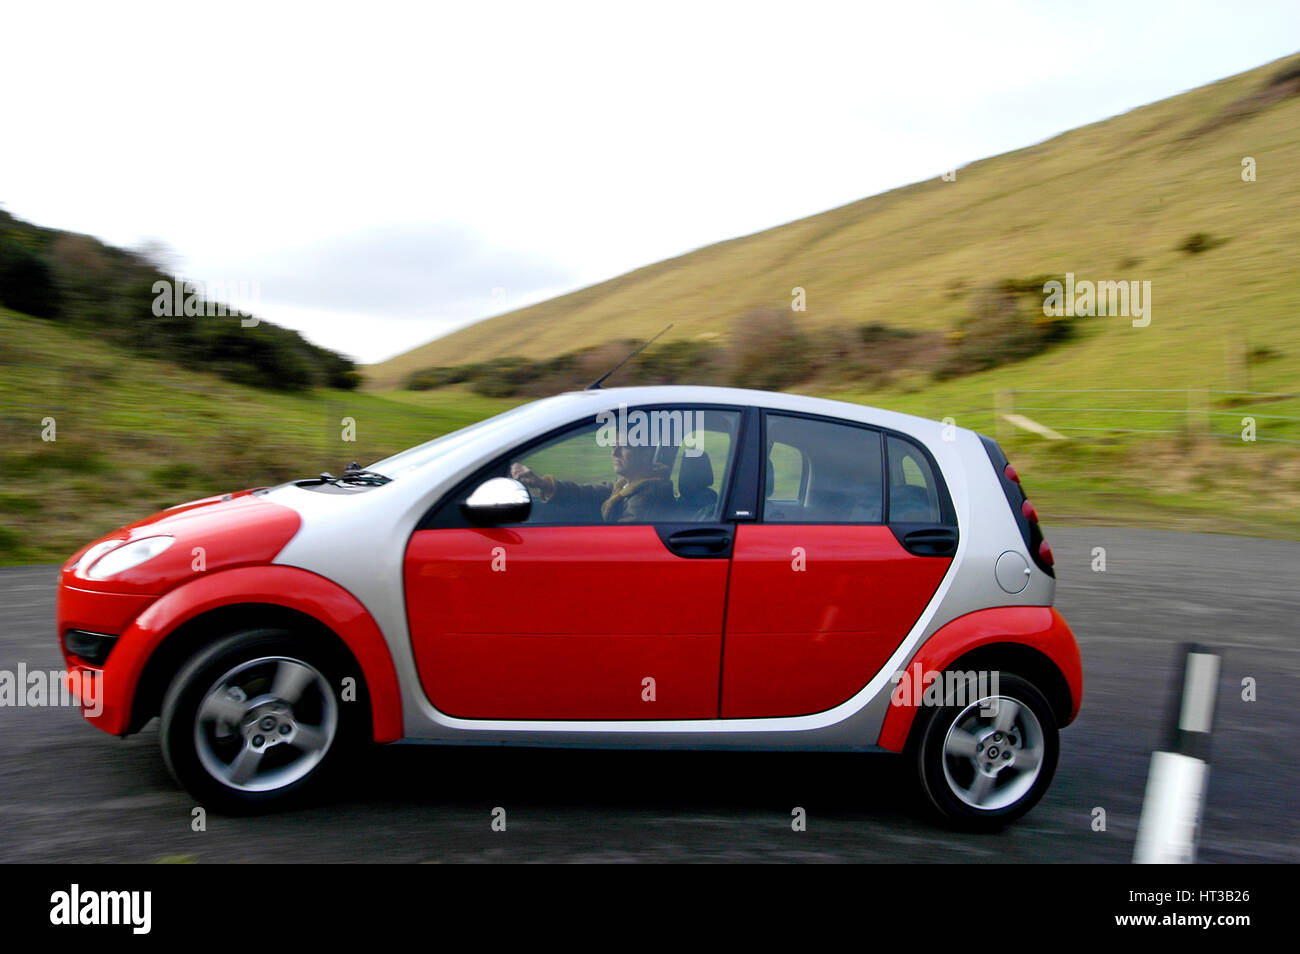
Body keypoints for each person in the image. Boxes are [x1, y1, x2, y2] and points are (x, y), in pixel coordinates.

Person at [510, 442, 675, 523]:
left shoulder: (647, 498)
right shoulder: (627, 485)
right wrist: (543, 483)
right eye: (613, 446)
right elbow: (589, 492)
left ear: (646, 454)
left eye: (624, 446)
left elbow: (620, 545)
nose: (614, 452)